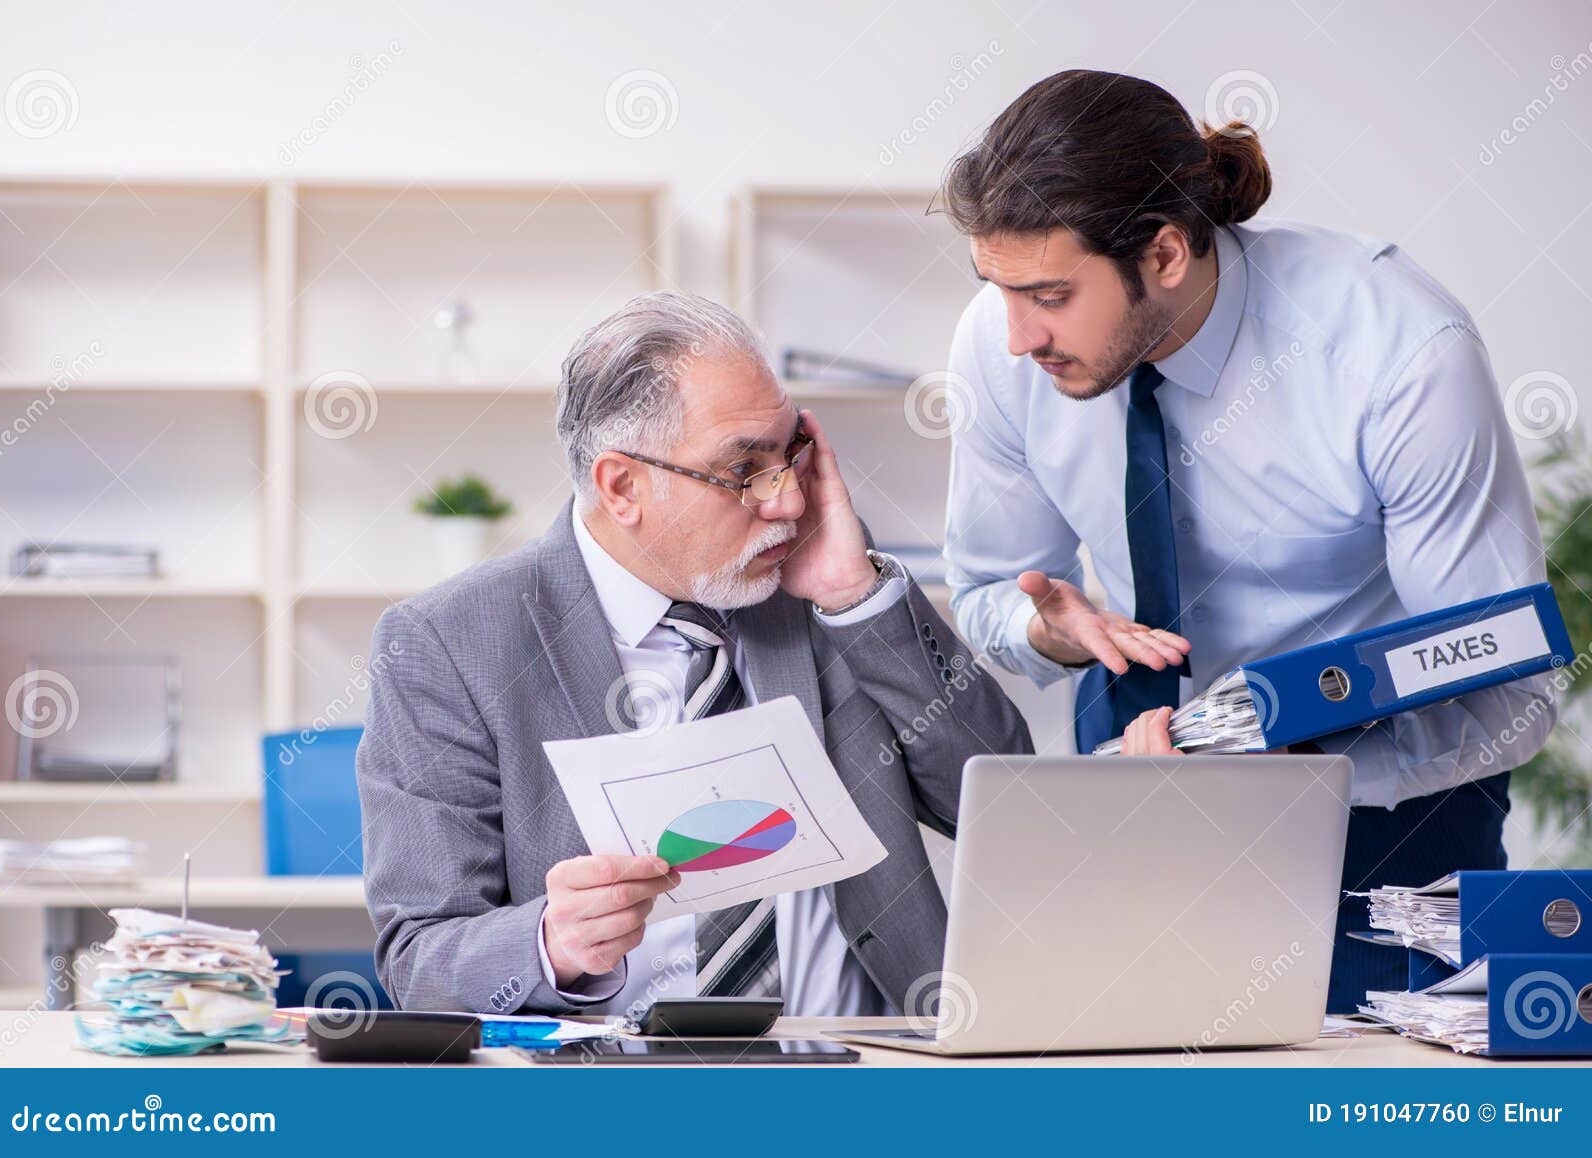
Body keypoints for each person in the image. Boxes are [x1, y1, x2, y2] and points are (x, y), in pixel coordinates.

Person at [938, 69, 1556, 1011]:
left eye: (1051, 295)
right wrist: (1048, 634)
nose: (1019, 336)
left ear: (1165, 253)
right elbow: (986, 591)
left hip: (1383, 816)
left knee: (1372, 1087)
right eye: (1000, 289)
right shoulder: (1001, 342)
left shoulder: (1397, 352)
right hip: (1130, 784)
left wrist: (1284, 776)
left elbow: (1510, 684)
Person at [357, 291, 1031, 1018]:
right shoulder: (450, 643)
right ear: (623, 487)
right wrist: (552, 944)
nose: (787, 503)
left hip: (862, 1064)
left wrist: (857, 600)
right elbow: (419, 960)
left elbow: (1009, 810)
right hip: (614, 1076)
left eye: (791, 456)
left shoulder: (823, 591)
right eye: (745, 470)